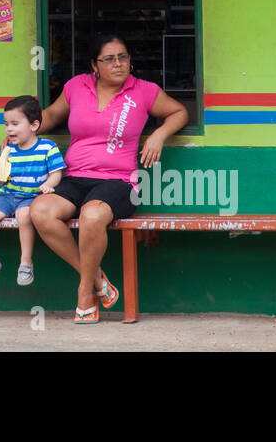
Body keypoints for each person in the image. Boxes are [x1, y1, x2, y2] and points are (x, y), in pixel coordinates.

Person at [31, 35, 189, 323]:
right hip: (74, 176)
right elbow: (51, 115)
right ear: (95, 65)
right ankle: (97, 280)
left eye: (123, 57)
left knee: (92, 217)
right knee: (40, 211)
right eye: (110, 59)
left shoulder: (143, 91)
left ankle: (84, 293)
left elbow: (180, 112)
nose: (118, 64)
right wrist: (20, 133)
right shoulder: (76, 86)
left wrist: (158, 134)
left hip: (120, 182)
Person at [0, 95, 65, 287]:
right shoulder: (9, 150)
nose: (9, 129)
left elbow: (56, 172)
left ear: (34, 125)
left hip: (32, 197)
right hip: (8, 196)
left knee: (24, 216)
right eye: (6, 124)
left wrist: (50, 184)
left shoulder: (47, 147)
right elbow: (2, 181)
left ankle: (25, 263)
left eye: (15, 123)